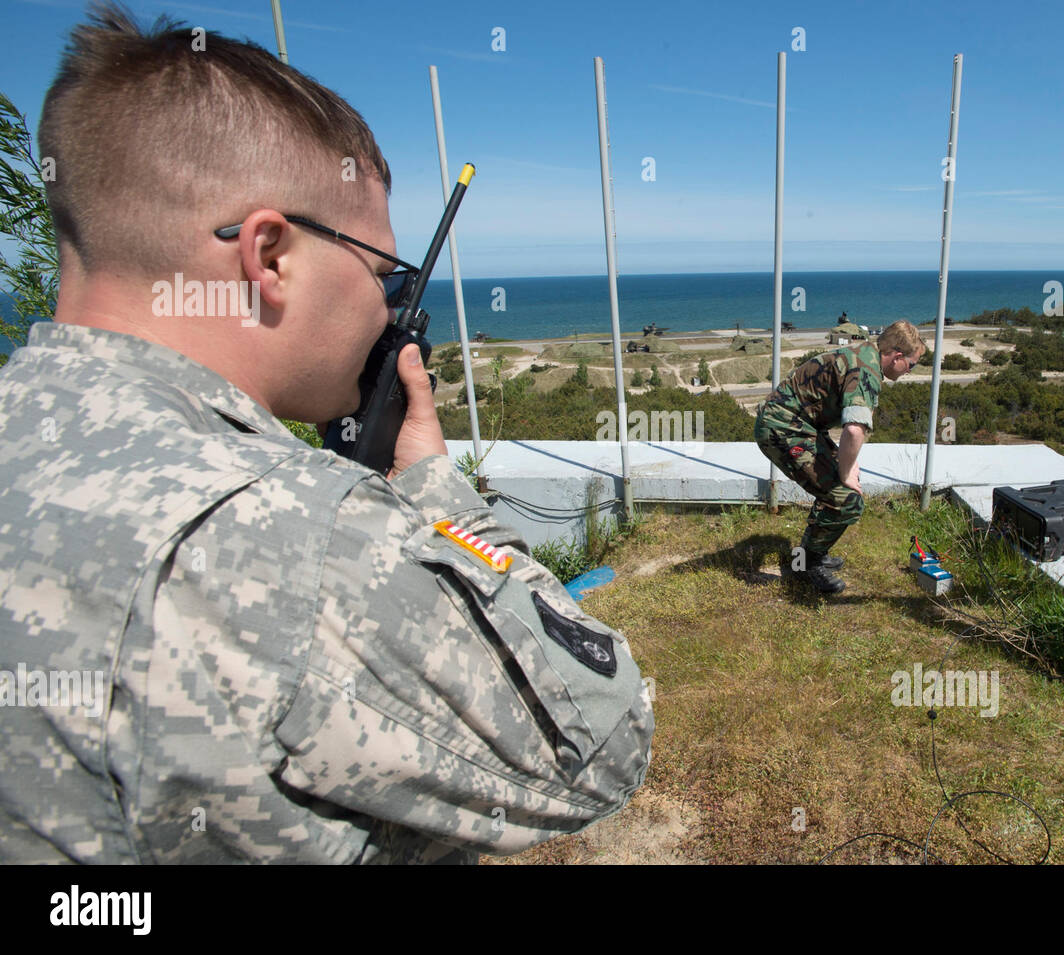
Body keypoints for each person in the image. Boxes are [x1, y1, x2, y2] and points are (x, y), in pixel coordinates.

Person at [0, 3, 652, 864]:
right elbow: (602, 740)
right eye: (384, 273)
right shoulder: (295, 531)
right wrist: (431, 491)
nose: (388, 307)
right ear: (270, 256)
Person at [754, 321, 925, 593]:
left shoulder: (865, 353)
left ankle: (810, 555)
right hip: (782, 429)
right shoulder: (866, 371)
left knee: (838, 490)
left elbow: (847, 426)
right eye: (911, 365)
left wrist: (848, 463)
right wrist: (844, 472)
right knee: (845, 499)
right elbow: (855, 429)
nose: (909, 371)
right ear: (897, 357)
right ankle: (807, 564)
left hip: (798, 425)